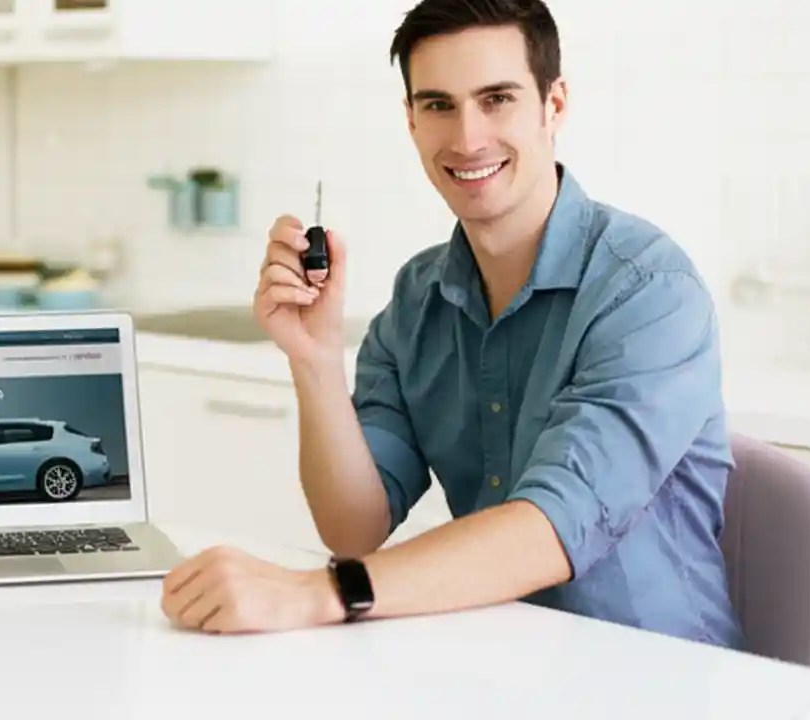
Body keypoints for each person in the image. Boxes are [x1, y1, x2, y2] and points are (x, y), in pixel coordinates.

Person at [158, 0, 745, 650]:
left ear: (554, 106)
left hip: (662, 676)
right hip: (500, 660)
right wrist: (314, 359)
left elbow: (553, 524)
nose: (467, 138)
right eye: (439, 105)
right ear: (411, 121)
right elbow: (354, 528)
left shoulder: (648, 291)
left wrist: (316, 593)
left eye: (497, 99)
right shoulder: (418, 298)